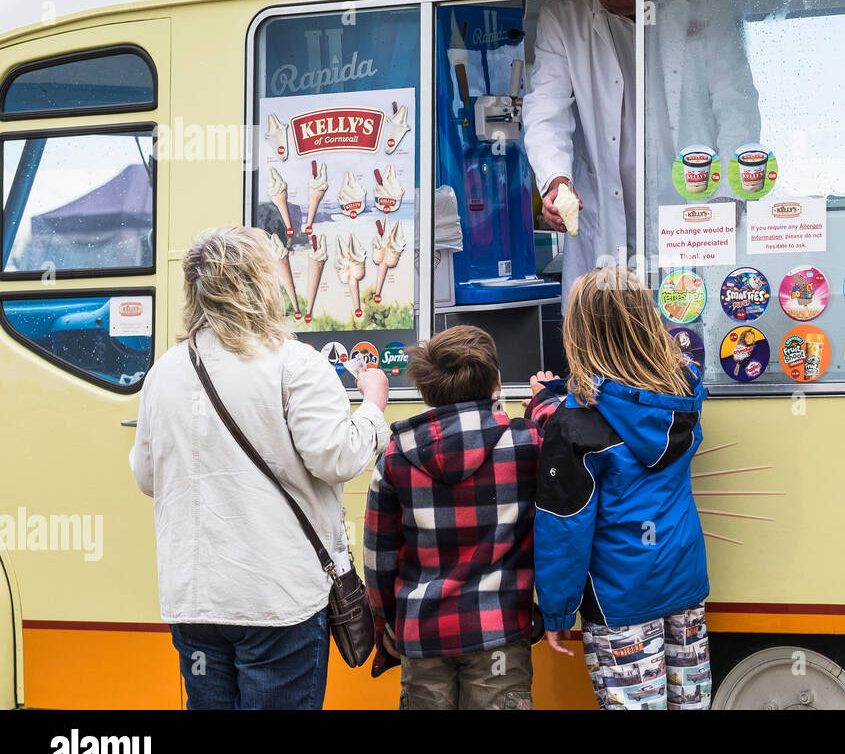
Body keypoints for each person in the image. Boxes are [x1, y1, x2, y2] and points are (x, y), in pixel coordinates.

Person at [130, 225, 391, 710]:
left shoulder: (162, 371)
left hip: (195, 602)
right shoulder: (293, 363)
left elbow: (147, 477)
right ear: (259, 284)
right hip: (276, 599)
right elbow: (337, 457)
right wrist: (373, 406)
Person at [533, 266, 711, 709]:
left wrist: (556, 611)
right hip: (683, 582)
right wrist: (557, 394)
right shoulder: (681, 392)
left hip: (619, 597)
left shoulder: (574, 425)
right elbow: (624, 398)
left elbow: (563, 530)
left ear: (580, 333)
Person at [363, 325, 563, 709]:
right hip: (499, 633)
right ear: (497, 383)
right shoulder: (526, 442)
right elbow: (570, 441)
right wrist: (546, 401)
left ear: (425, 391)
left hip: (423, 636)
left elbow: (378, 557)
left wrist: (387, 622)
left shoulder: (395, 455)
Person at [522, 0, 760, 306]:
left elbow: (736, 104)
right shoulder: (565, 17)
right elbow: (545, 111)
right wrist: (556, 180)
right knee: (605, 339)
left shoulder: (702, 2)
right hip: (605, 220)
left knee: (691, 337)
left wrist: (729, 193)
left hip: (688, 215)